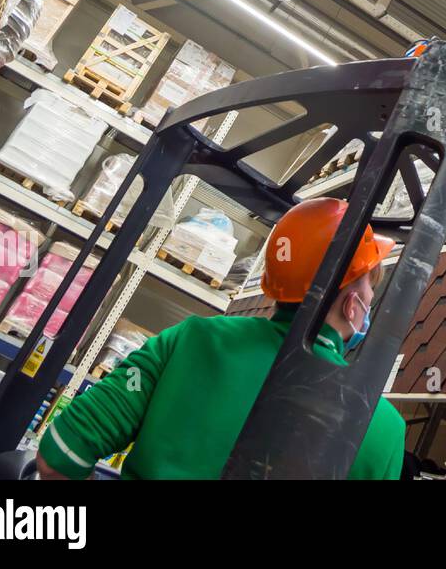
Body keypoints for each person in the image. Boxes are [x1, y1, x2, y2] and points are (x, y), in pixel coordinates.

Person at [35, 198, 406, 480]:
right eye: (370, 287)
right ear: (352, 304)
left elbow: (58, 456)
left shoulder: (192, 340)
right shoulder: (381, 427)